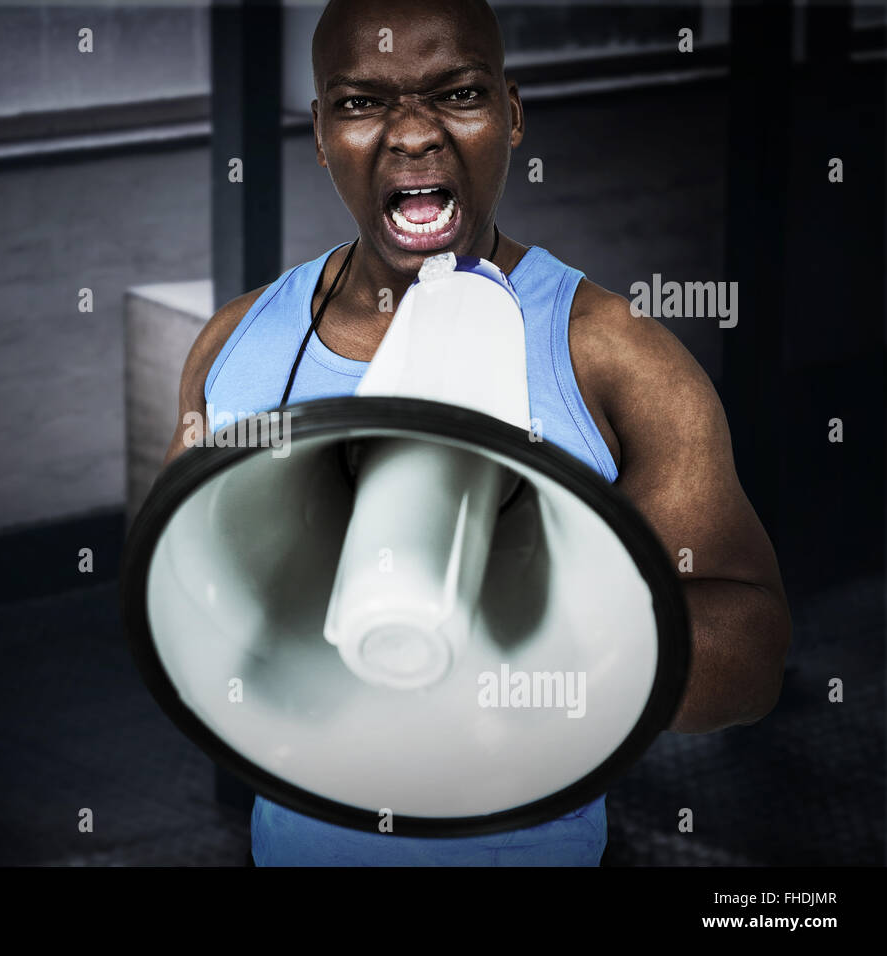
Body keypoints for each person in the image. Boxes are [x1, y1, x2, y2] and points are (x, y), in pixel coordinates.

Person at [161, 0, 791, 866]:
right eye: (361, 102)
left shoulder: (616, 358)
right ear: (318, 130)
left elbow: (752, 658)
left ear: (512, 112)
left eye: (457, 93)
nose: (413, 135)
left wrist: (546, 618)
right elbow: (175, 602)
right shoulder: (231, 347)